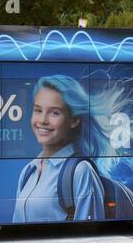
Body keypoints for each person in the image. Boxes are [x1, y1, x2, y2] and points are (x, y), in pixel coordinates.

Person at [13, 75, 122, 223]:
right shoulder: (28, 171)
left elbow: (87, 232)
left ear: (74, 120)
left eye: (54, 112)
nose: (43, 120)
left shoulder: (81, 171)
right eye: (38, 110)